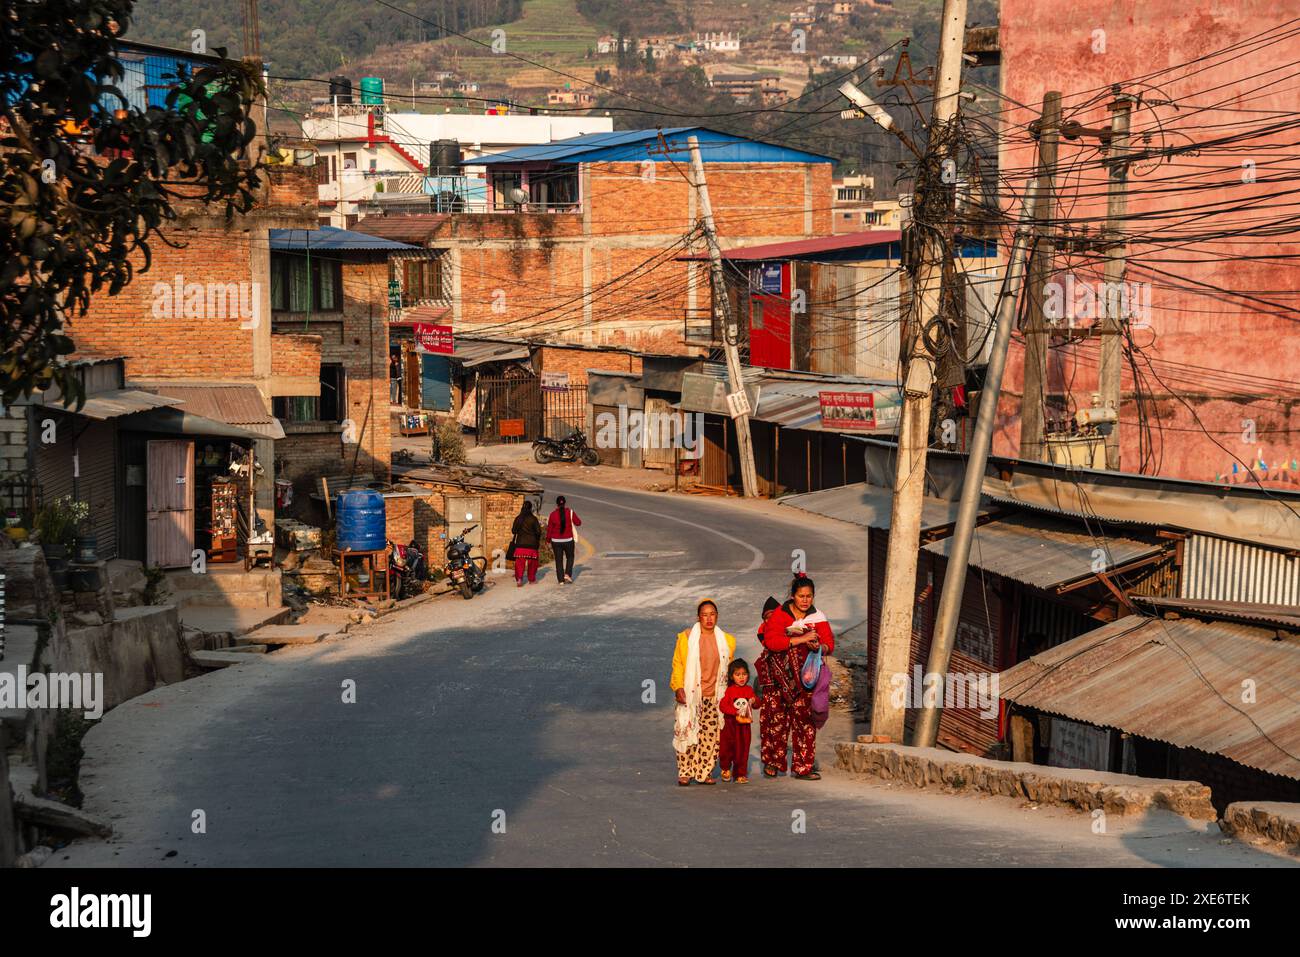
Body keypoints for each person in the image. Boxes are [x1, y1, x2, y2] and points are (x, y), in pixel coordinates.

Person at [757, 573, 835, 780]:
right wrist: (800, 639)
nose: (805, 600)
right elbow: (771, 642)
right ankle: (773, 763)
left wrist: (819, 645)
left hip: (805, 680)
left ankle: (803, 767)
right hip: (777, 680)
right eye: (801, 596)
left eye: (809, 596)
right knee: (776, 722)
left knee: (804, 724)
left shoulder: (818, 617)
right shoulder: (780, 615)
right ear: (793, 596)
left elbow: (830, 645)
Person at [670, 599, 736, 786]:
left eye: (712, 614)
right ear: (698, 617)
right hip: (691, 695)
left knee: (710, 736)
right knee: (687, 730)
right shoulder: (686, 638)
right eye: (704, 615)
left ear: (717, 616)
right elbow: (678, 664)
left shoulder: (727, 641)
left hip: (715, 696)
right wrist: (678, 687)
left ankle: (704, 771)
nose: (709, 618)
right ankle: (685, 771)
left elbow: (728, 669)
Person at [718, 659, 759, 783]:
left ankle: (740, 773)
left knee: (743, 750)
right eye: (737, 674)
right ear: (731, 676)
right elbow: (722, 706)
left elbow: (757, 705)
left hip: (744, 726)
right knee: (726, 749)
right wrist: (734, 711)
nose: (741, 677)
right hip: (730, 726)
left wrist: (754, 700)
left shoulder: (749, 690)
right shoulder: (730, 690)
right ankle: (725, 767)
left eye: (744, 674)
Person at [546, 494, 581, 585]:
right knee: (570, 557)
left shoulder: (552, 515)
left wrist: (548, 540)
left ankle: (560, 580)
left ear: (556, 504)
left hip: (556, 541)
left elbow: (549, 529)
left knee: (559, 560)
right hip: (568, 540)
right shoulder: (570, 512)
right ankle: (567, 574)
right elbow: (578, 523)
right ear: (565, 503)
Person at [510, 501, 543, 587]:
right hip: (532, 546)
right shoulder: (533, 519)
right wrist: (537, 540)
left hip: (520, 545)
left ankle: (519, 579)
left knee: (519, 564)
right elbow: (538, 532)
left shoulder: (518, 518)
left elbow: (513, 531)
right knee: (532, 564)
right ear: (530, 508)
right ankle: (531, 579)